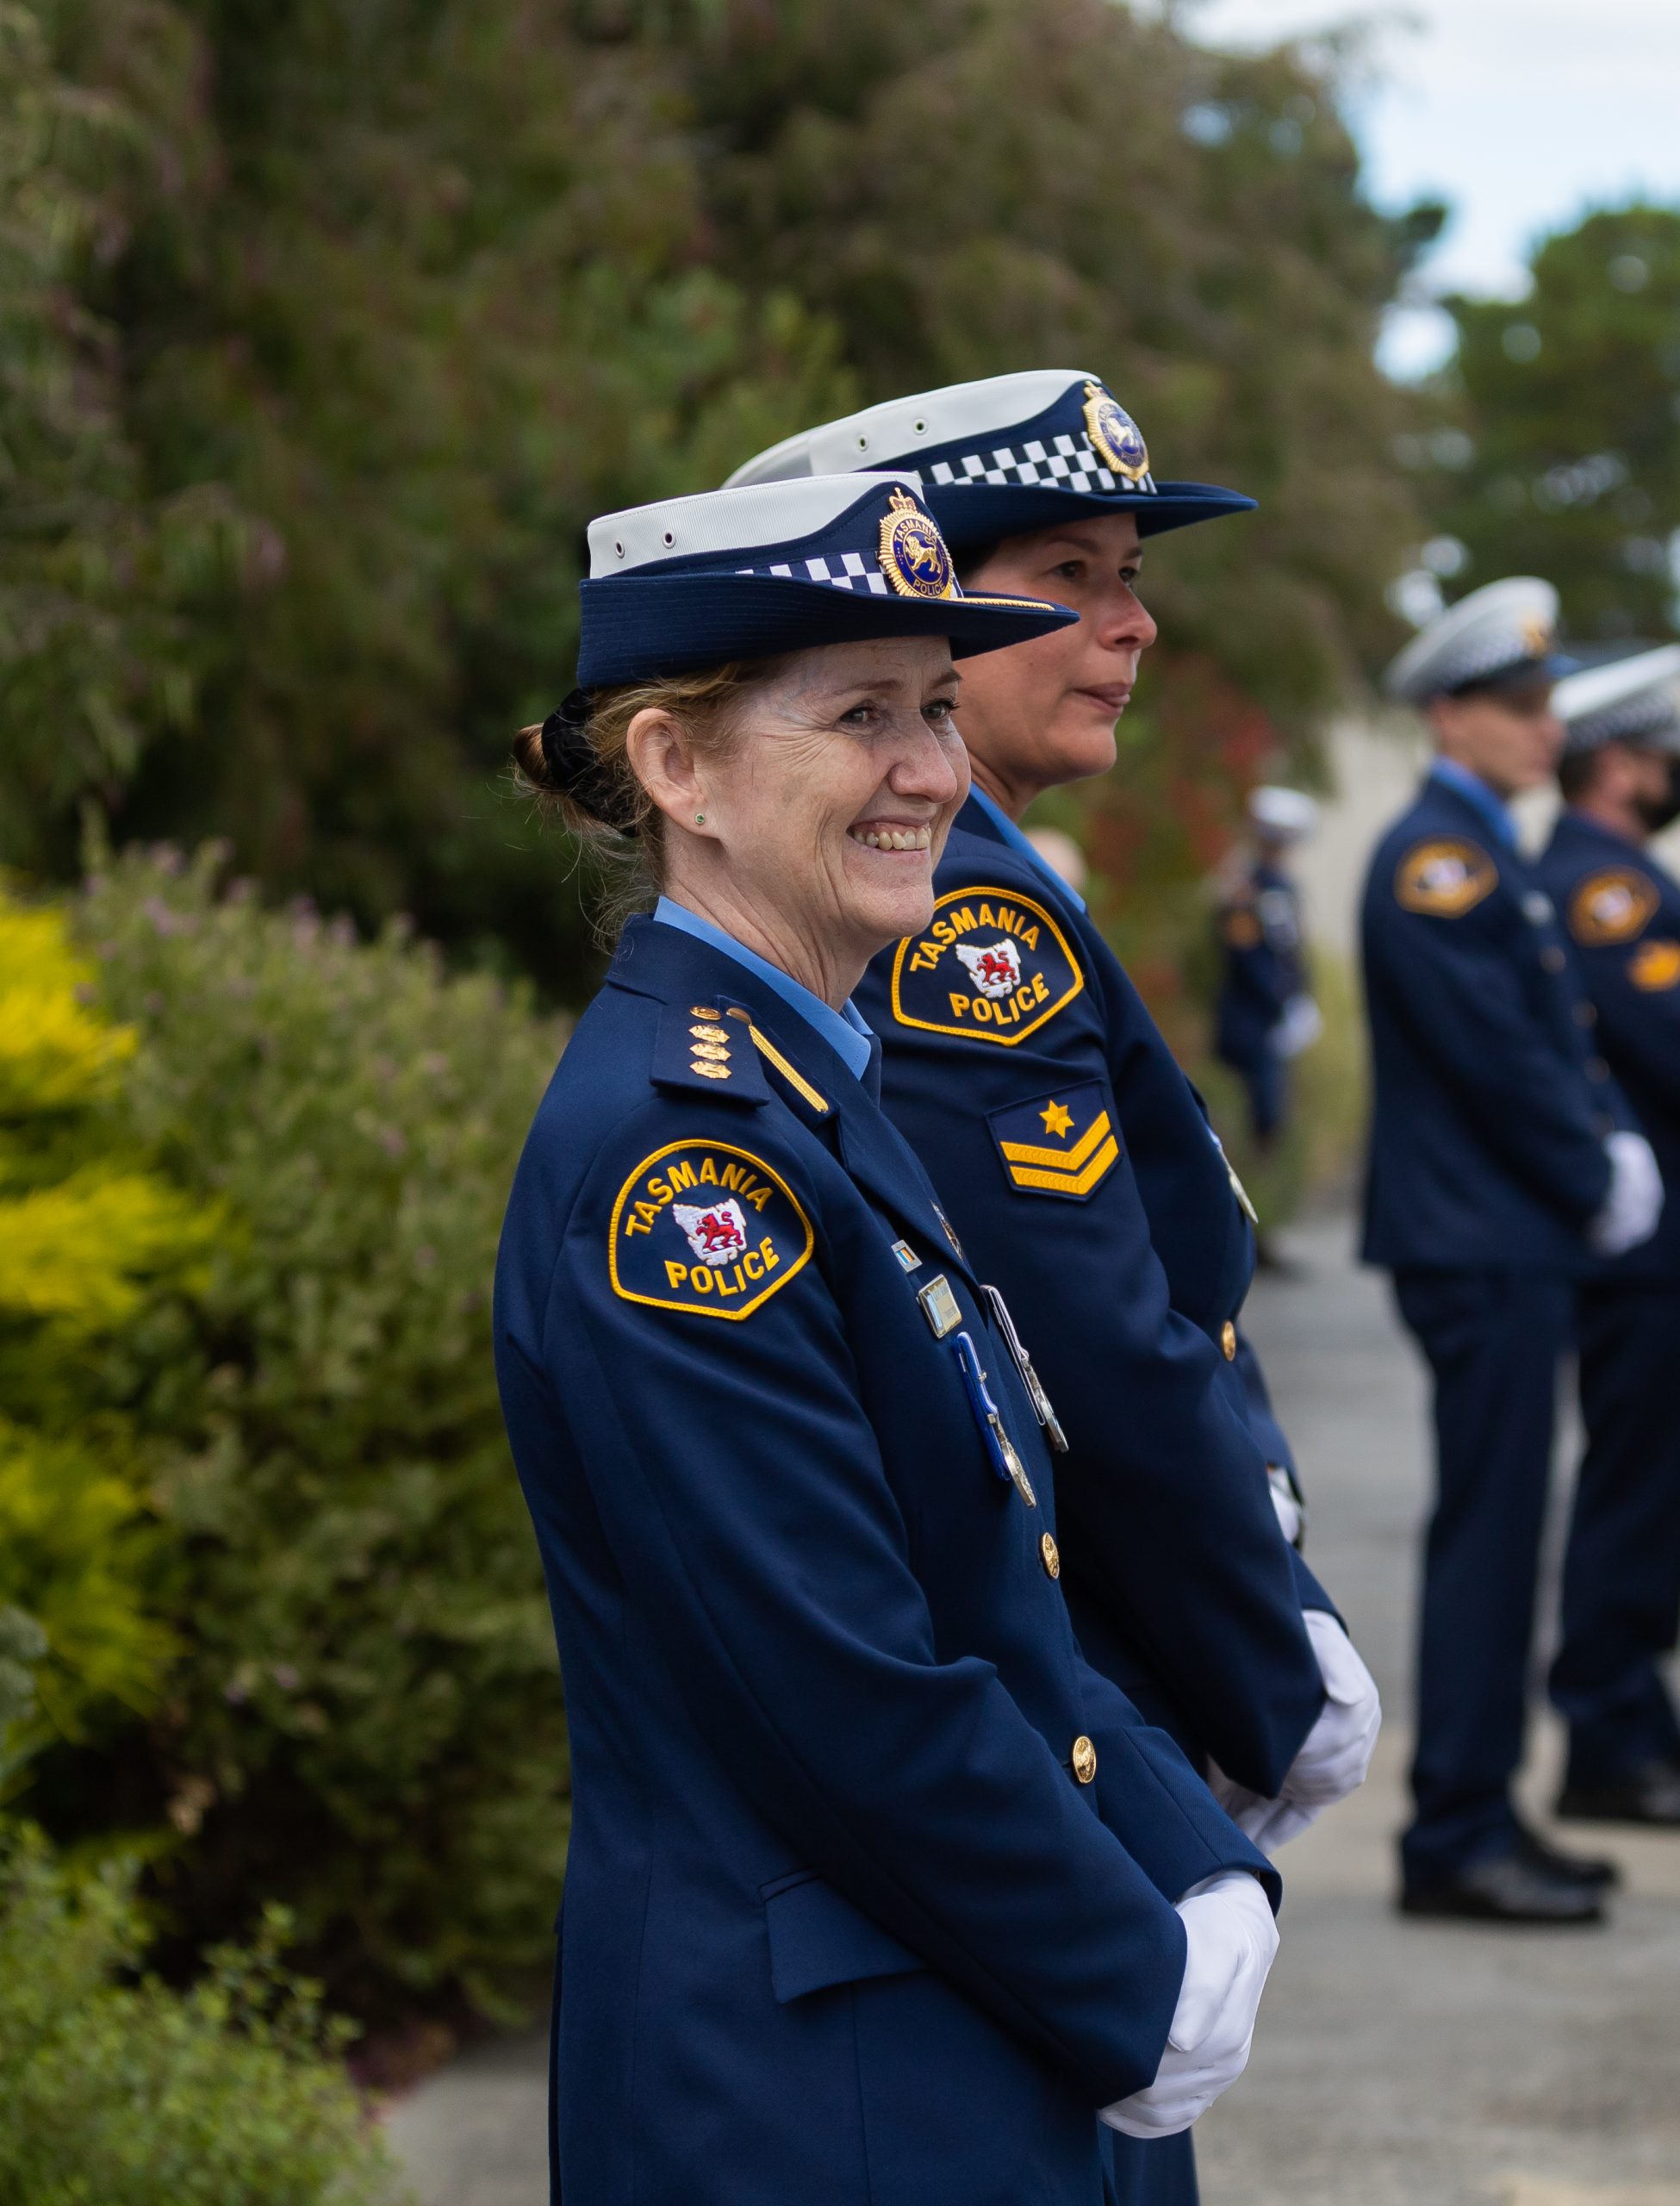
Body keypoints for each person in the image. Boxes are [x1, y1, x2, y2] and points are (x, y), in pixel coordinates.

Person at [493, 470, 1285, 2206]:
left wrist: (1194, 1853)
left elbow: (995, 1572)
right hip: (810, 2091)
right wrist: (1132, 1970)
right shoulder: (680, 1161)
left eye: (936, 704)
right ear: (675, 767)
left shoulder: (814, 1087)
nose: (930, 770)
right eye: (860, 713)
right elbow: (837, 1673)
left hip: (930, 2021)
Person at [728, 375, 1378, 2203]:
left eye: (1132, 576)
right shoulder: (972, 918)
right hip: (1061, 1674)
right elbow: (1088, 1339)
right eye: (1071, 578)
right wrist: (1269, 1649)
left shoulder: (989, 876)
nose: (1132, 624)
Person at [1366, 577, 1663, 1924]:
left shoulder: (1481, 846)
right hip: (1482, 1241)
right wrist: (1590, 1164)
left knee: (1506, 1532)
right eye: (1518, 705)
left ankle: (1486, 1810)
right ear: (1449, 713)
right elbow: (1500, 1061)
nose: (1546, 728)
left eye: (1549, 705)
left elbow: (1547, 1045)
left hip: (1508, 1238)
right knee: (1487, 1542)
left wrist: (1597, 1151)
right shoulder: (1439, 860)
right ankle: (1456, 1832)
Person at [1537, 645, 1680, 1827]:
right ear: (1619, 766)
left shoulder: (1620, 872)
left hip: (1655, 1255)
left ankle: (1631, 1720)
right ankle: (1605, 1732)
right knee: (1637, 1494)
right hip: (1644, 1260)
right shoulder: (1605, 883)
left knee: (1652, 1494)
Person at [1214, 785, 1322, 1162]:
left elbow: (1292, 951)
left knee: (1275, 1115)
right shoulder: (1246, 891)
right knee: (1257, 1115)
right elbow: (1246, 956)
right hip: (1251, 1020)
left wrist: (1300, 994)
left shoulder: (1285, 888)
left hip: (1275, 1019)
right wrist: (1281, 998)